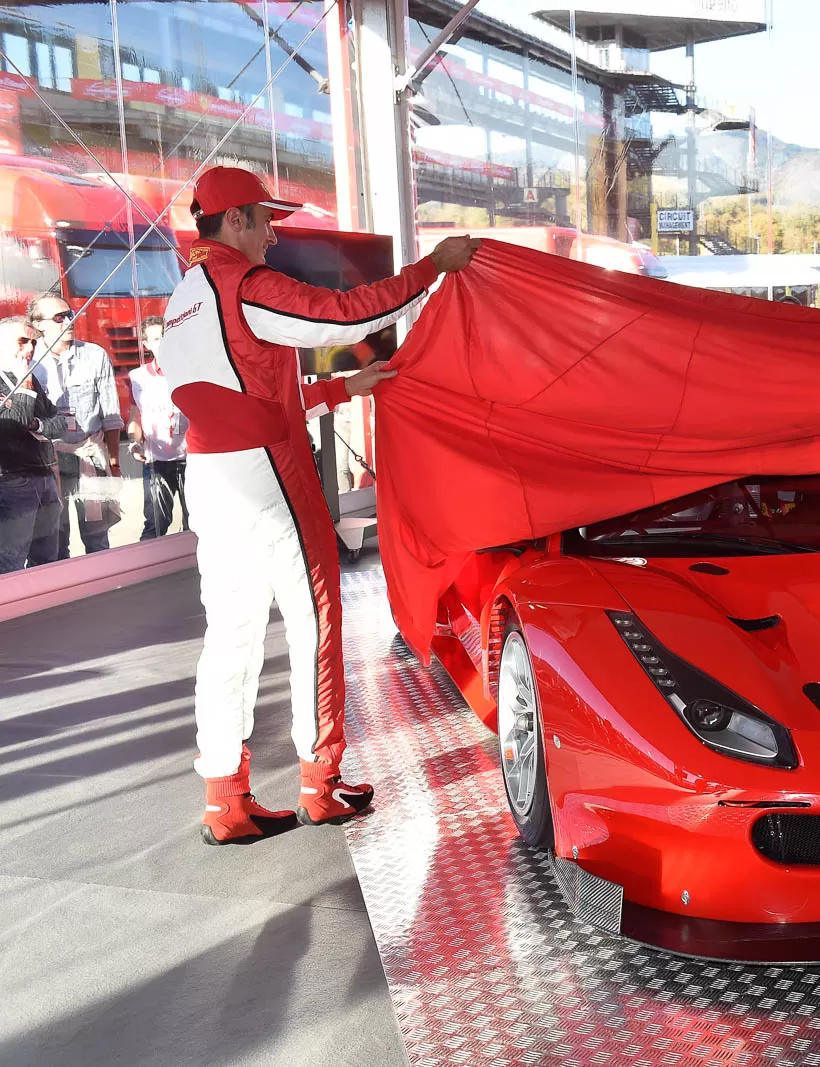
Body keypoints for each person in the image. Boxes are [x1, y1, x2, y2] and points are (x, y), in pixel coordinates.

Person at [159, 166, 481, 845]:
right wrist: (433, 266)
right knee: (315, 622)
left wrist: (345, 387)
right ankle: (320, 784)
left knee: (230, 637)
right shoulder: (245, 285)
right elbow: (349, 312)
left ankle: (224, 799)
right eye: (267, 220)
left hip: (210, 481)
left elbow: (239, 394)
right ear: (238, 219)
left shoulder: (183, 297)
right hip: (269, 472)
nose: (274, 235)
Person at [30, 293, 123, 557]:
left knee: (97, 537)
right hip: (49, 460)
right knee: (56, 538)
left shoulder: (95, 355)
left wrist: (114, 465)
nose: (69, 321)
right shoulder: (30, 362)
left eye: (70, 314)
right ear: (39, 325)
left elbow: (111, 415)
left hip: (90, 456)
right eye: (59, 318)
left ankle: (104, 590)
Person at [0, 315, 65, 572]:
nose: (29, 349)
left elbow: (59, 422)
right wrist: (25, 388)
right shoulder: (25, 378)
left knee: (48, 556)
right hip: (11, 480)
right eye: (22, 341)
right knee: (11, 561)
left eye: (33, 343)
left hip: (43, 474)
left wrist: (36, 424)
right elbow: (12, 426)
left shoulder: (29, 378)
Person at [128, 315, 189, 539]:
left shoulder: (190, 371)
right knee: (155, 522)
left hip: (190, 458)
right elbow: (135, 415)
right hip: (157, 460)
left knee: (195, 520)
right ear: (146, 344)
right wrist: (134, 442)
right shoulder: (137, 377)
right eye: (154, 339)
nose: (160, 343)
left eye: (163, 336)